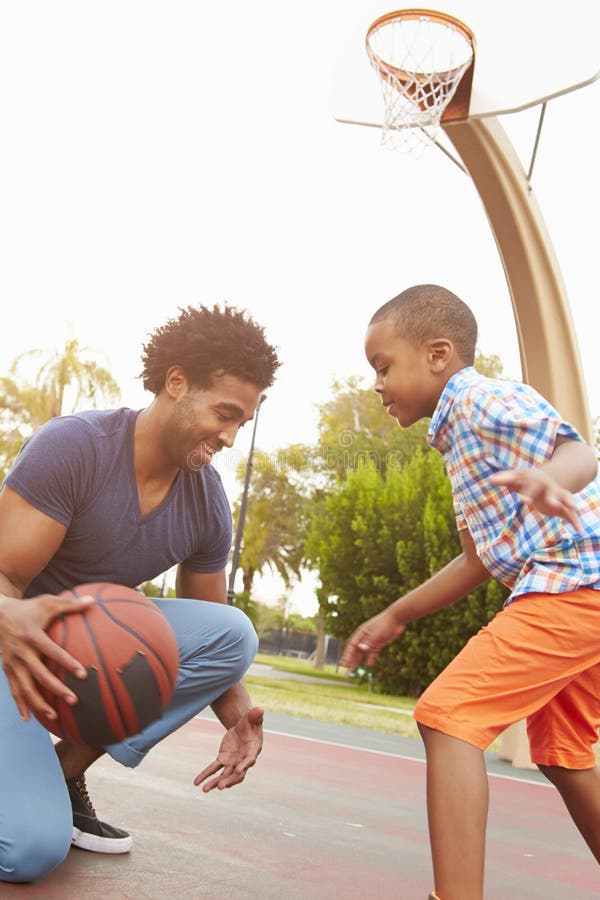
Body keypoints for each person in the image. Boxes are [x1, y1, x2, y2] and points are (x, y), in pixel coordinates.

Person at [0, 303, 280, 883]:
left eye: (241, 425)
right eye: (224, 414)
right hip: (7, 648)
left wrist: (236, 718)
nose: (229, 437)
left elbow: (211, 633)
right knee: (27, 851)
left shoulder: (205, 503)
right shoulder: (75, 448)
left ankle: (61, 774)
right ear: (176, 382)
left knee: (234, 633)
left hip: (67, 653)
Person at [341, 284, 600, 900]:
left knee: (449, 716)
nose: (377, 384)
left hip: (575, 583)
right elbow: (477, 560)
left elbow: (579, 453)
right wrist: (395, 615)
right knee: (564, 754)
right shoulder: (454, 436)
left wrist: (547, 477)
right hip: (577, 589)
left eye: (384, 367)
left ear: (437, 354)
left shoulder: (481, 401)